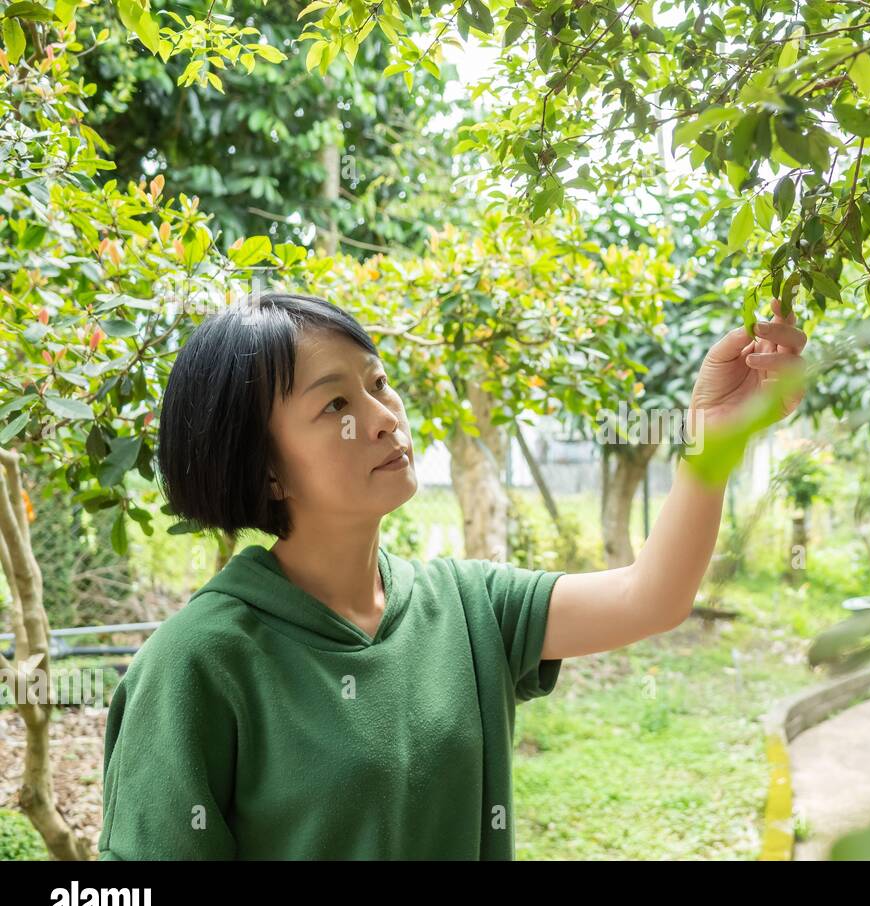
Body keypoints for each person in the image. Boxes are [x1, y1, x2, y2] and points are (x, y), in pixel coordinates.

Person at [97, 291, 806, 859]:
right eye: (336, 403)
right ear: (267, 469)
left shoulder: (468, 607)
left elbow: (651, 596)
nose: (382, 417)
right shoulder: (197, 664)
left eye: (377, 382)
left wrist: (715, 436)